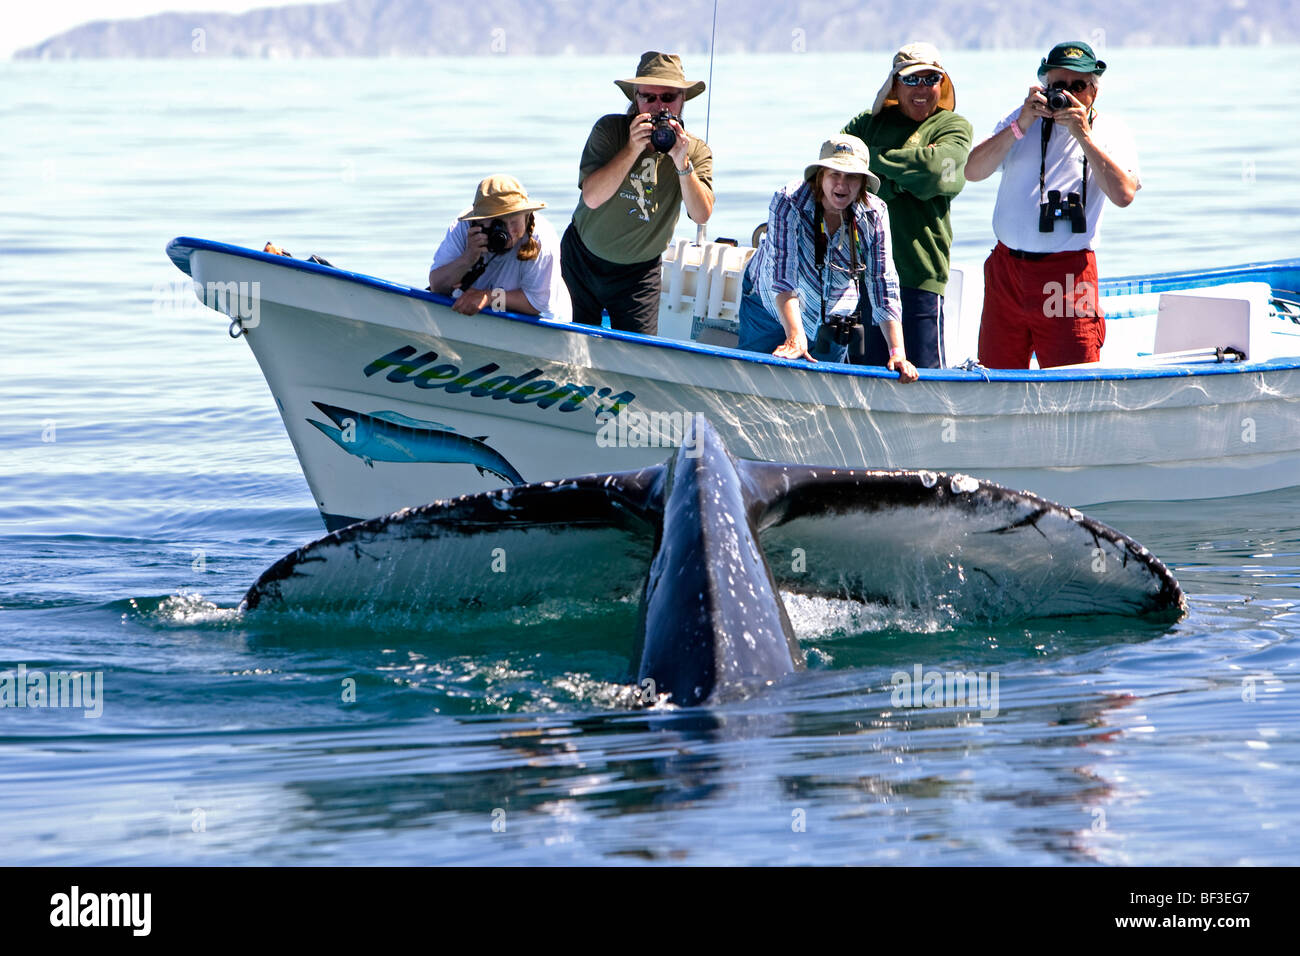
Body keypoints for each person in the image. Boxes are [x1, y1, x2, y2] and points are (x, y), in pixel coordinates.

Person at [964, 41, 1140, 368]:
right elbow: (972, 172)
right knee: (996, 377)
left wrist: (1084, 135)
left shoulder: (1110, 131)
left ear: (1094, 92)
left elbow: (1124, 195)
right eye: (1060, 86)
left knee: (1073, 380)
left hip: (1068, 276)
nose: (1069, 95)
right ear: (1045, 88)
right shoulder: (1019, 121)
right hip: (1007, 272)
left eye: (1079, 86)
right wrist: (1020, 124)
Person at [738, 135, 917, 382]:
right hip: (769, 306)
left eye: (852, 176)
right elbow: (782, 276)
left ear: (863, 182)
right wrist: (795, 336)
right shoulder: (788, 201)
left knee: (821, 400)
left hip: (833, 318)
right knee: (753, 383)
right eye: (834, 174)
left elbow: (883, 282)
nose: (842, 185)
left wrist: (897, 353)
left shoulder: (875, 213)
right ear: (820, 176)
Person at [561, 51, 714, 335]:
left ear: (682, 100)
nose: (658, 106)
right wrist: (632, 149)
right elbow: (592, 198)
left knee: (639, 355)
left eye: (668, 98)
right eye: (649, 97)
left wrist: (682, 164)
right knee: (571, 344)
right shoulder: (610, 130)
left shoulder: (695, 150)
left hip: (638, 275)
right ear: (636, 98)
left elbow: (701, 214)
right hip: (582, 260)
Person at [842, 42, 971, 369]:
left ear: (941, 84)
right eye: (911, 79)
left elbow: (938, 172)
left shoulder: (952, 127)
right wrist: (908, 177)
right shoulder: (866, 125)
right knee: (862, 382)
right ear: (895, 84)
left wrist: (876, 167)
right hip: (861, 280)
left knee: (925, 383)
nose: (921, 88)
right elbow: (836, 169)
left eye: (930, 79)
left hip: (919, 278)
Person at [428, 174, 572, 322]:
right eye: (498, 223)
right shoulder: (464, 228)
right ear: (479, 221)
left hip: (543, 320)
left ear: (527, 216)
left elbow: (538, 303)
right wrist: (468, 257)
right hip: (477, 315)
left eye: (514, 221)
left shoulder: (542, 239)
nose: (508, 232)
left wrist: (489, 297)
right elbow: (437, 286)